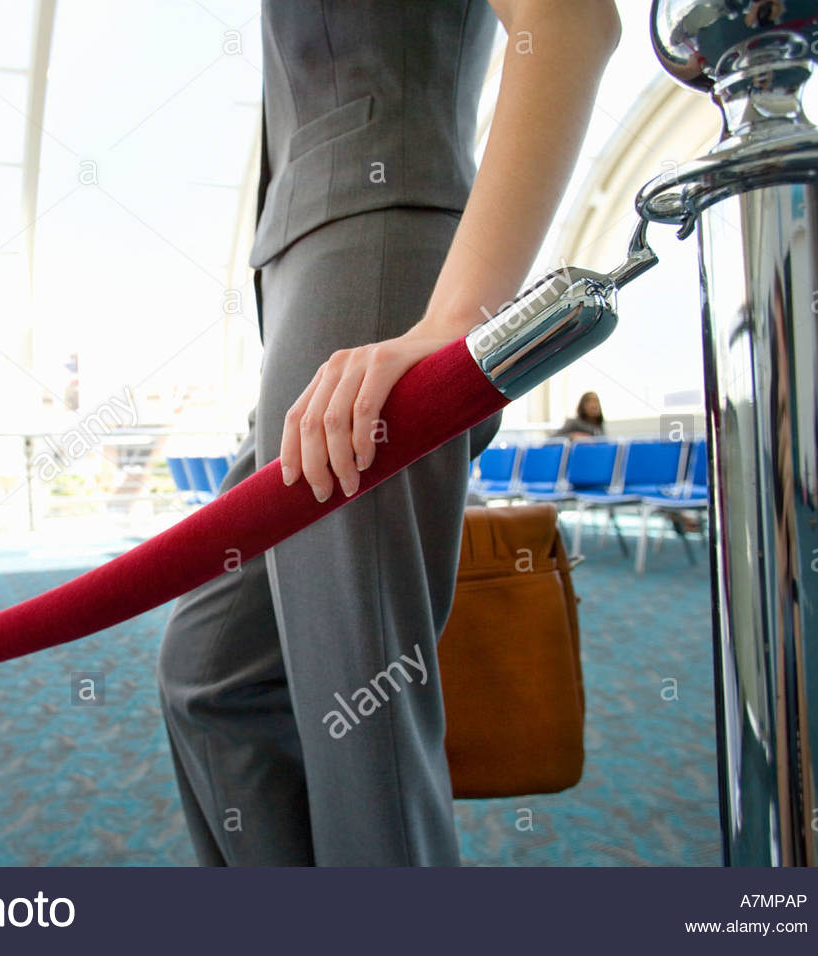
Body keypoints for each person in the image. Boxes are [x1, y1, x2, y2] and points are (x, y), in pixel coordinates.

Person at [156, 0, 621, 866]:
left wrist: (455, 322)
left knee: (362, 734)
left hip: (377, 253)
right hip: (308, 282)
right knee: (213, 677)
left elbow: (568, 18)